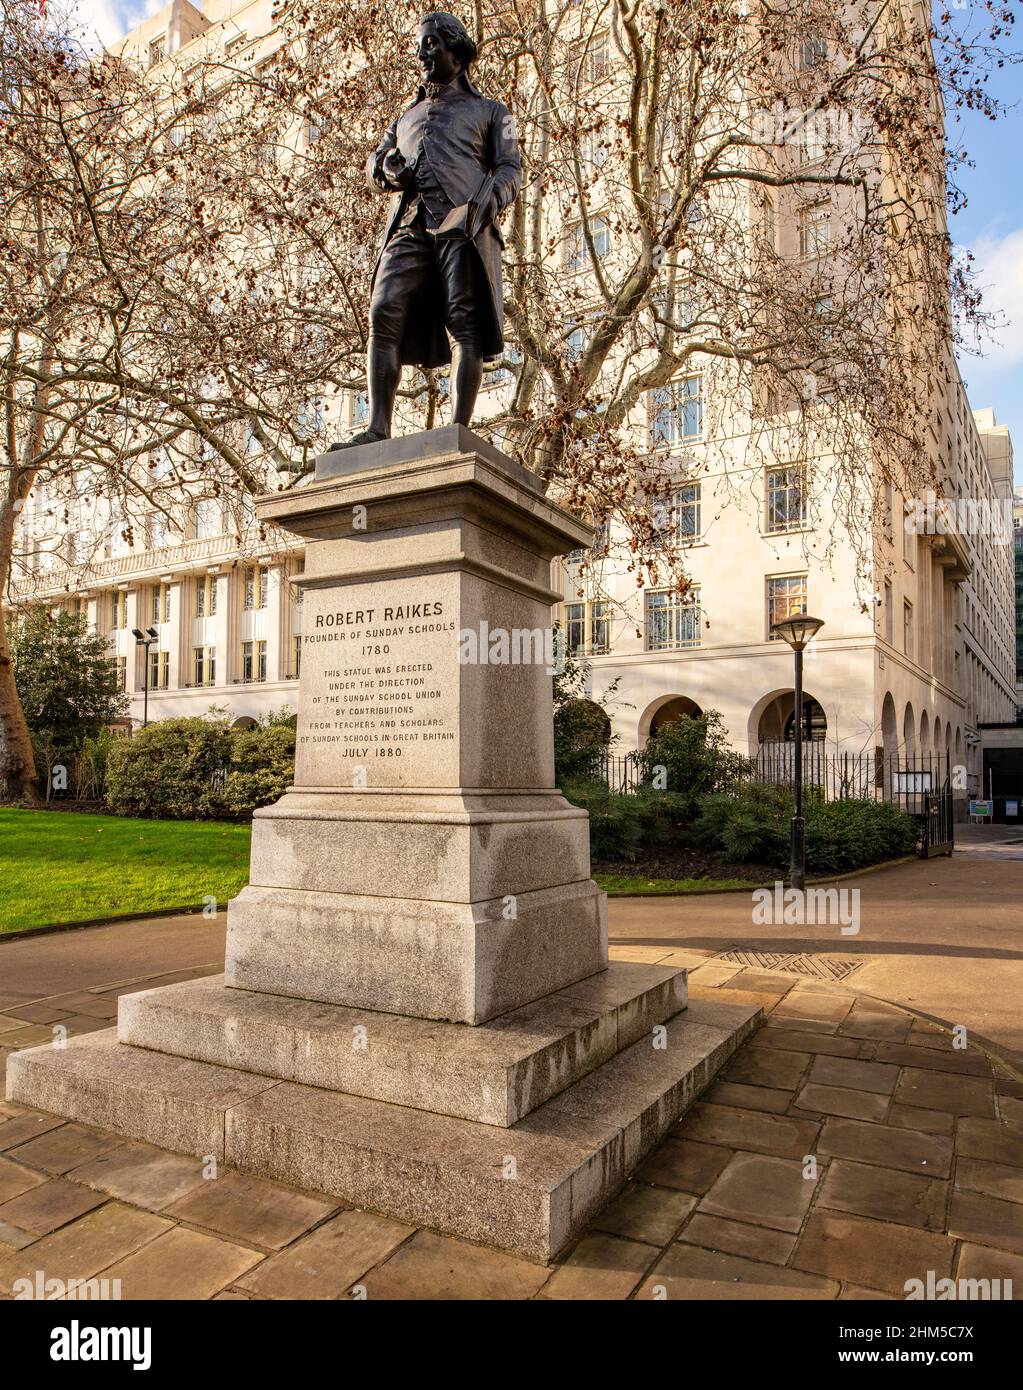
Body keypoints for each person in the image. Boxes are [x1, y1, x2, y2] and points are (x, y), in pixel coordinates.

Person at [329, 12, 521, 449]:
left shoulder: (493, 112)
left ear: (457, 49)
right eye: (420, 46)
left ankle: (459, 429)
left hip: (463, 227)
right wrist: (385, 167)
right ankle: (378, 427)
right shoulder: (404, 118)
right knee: (383, 311)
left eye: (432, 43)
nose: (423, 53)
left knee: (463, 322)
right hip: (411, 222)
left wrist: (479, 209)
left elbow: (511, 168)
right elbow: (375, 163)